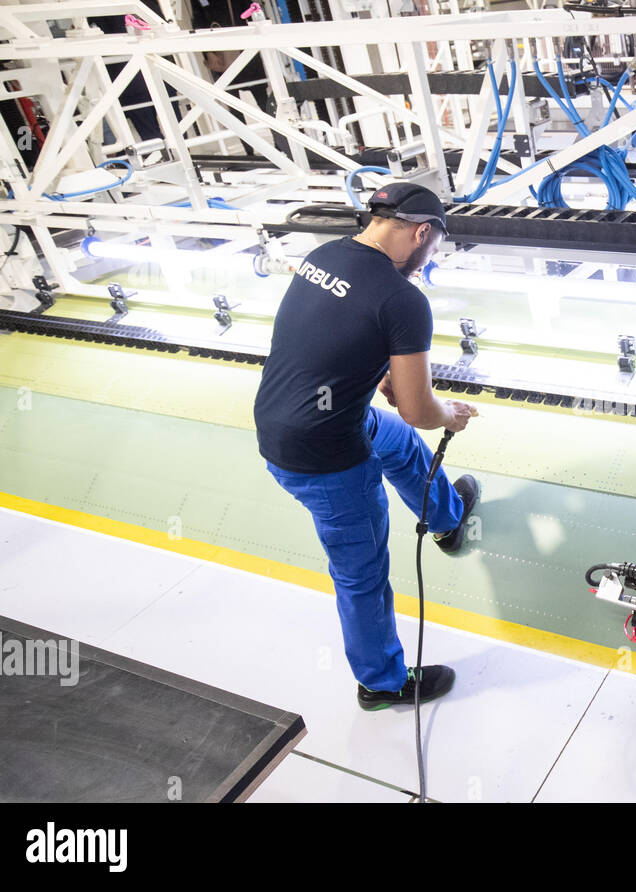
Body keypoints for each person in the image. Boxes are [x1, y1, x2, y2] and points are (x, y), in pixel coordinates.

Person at [254, 182, 480, 711]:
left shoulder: (323, 254)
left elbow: (338, 339)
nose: (428, 261)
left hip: (284, 419)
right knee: (361, 572)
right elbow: (420, 412)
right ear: (421, 232)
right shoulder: (403, 300)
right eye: (433, 248)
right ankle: (381, 681)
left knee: (398, 444)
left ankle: (445, 519)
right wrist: (454, 416)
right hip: (324, 457)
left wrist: (381, 379)